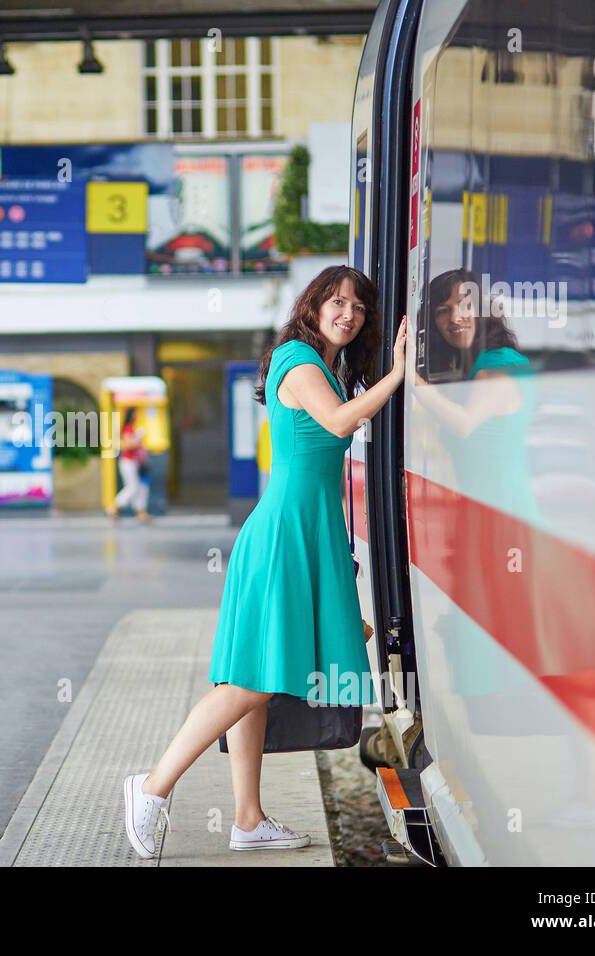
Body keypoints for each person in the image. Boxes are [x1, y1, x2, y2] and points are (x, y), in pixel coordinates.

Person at [121, 265, 407, 858]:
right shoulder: (299, 359)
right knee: (251, 681)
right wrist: (401, 374)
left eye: (357, 305)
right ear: (312, 306)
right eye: (335, 300)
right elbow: (337, 422)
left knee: (258, 676)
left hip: (307, 533)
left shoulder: (325, 367)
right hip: (283, 535)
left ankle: (248, 819)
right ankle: (151, 788)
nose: (347, 312)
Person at [106, 406, 150, 523]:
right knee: (132, 487)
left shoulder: (132, 428)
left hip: (134, 462)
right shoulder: (128, 428)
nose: (137, 416)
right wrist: (138, 438)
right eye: (136, 413)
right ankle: (114, 507)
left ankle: (140, 512)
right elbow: (128, 445)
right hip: (128, 462)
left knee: (138, 487)